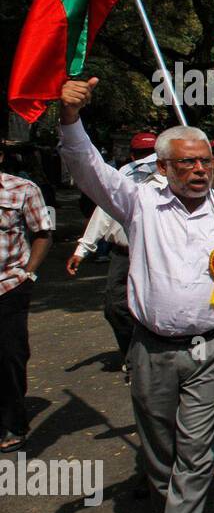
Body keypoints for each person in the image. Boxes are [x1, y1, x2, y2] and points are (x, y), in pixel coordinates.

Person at [57, 77, 214, 513]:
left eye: (205, 161)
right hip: (151, 348)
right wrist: (71, 119)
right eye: (185, 162)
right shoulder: (139, 203)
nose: (197, 170)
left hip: (213, 347)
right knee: (159, 444)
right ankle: (176, 505)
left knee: (195, 449)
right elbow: (87, 169)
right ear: (163, 168)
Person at [66, 131, 161, 378]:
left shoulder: (167, 181)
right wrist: (83, 248)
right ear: (132, 154)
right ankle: (135, 351)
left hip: (153, 255)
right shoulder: (123, 177)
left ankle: (144, 362)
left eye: (151, 154)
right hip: (123, 254)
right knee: (114, 305)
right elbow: (103, 213)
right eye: (141, 154)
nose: (145, 159)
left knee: (152, 306)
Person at [0, 141, 53, 453]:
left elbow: (43, 233)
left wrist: (27, 274)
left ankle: (13, 422)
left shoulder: (22, 190)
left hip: (8, 286)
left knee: (9, 355)